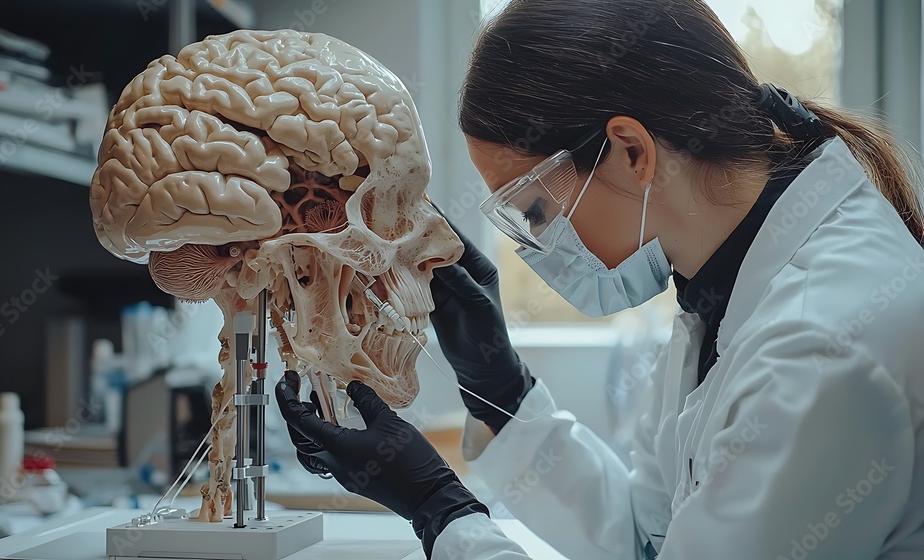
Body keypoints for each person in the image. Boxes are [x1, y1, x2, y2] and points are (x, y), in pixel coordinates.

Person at [276, 1, 924, 558]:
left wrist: (440, 511)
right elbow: (647, 539)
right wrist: (499, 390)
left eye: (532, 209)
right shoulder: (719, 293)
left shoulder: (820, 347)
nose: (534, 243)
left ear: (632, 151)